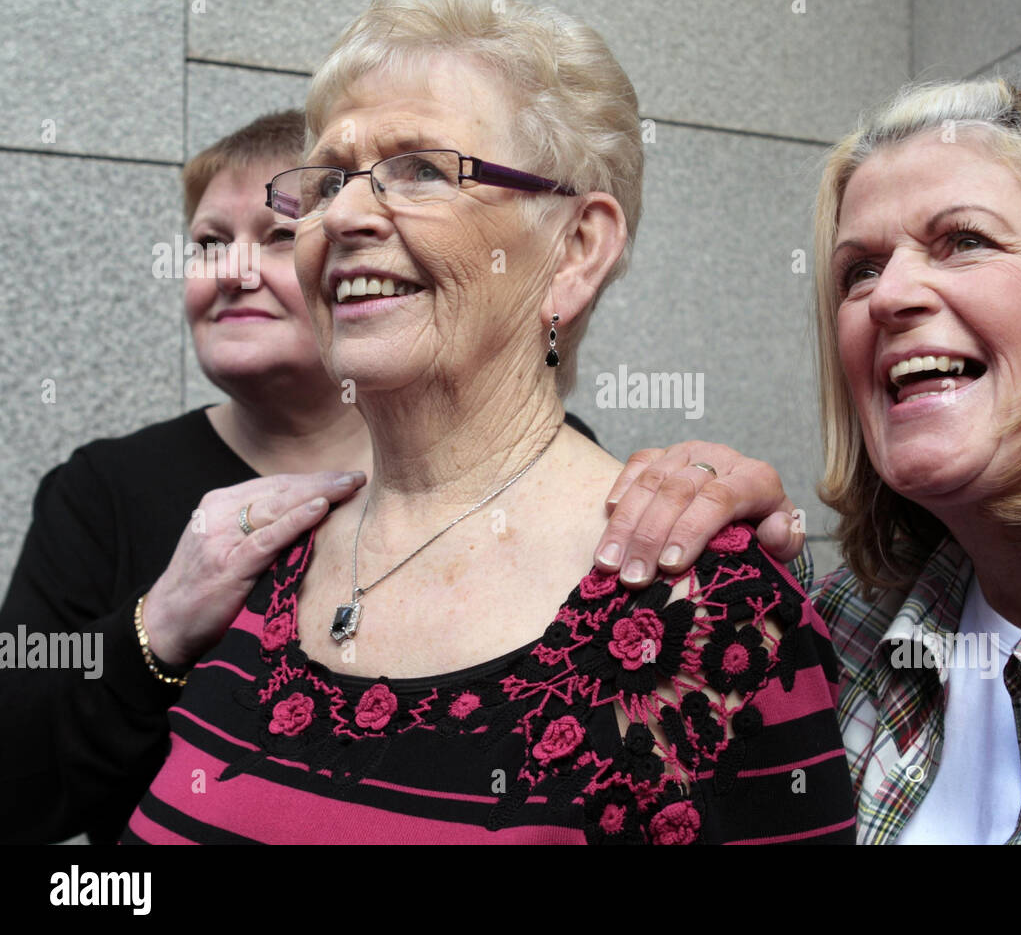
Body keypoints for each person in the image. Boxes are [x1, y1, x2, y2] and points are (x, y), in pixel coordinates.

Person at [122, 0, 854, 845]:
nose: (344, 215)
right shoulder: (258, 563)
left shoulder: (707, 608)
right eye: (325, 183)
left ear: (576, 249)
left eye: (420, 170)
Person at [599, 80, 1021, 844]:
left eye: (963, 241)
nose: (889, 296)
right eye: (858, 270)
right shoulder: (843, 638)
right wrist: (723, 569)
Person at [0, 107, 599, 844]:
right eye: (208, 244)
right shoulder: (102, 489)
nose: (232, 272)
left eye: (278, 237)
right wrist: (152, 631)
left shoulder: (526, 466)